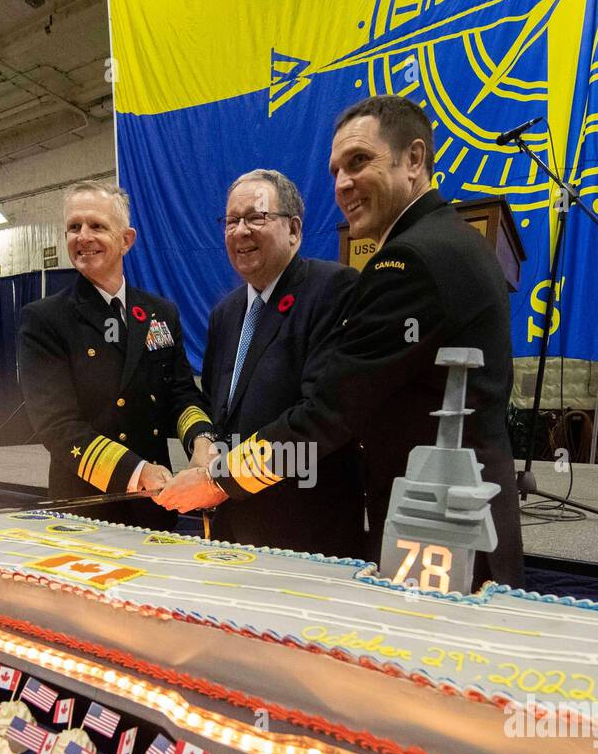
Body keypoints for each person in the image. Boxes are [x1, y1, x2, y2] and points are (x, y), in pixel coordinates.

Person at [158, 95, 524, 586]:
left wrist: (217, 479)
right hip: (452, 515)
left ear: (414, 160)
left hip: (439, 528)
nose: (343, 184)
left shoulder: (408, 262)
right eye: (334, 171)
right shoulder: (448, 240)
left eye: (359, 162)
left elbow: (328, 414)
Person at [16, 180, 215, 530]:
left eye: (97, 226)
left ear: (126, 240)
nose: (83, 236)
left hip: (156, 507)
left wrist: (201, 441)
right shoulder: (45, 319)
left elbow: (181, 393)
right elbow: (56, 425)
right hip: (85, 507)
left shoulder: (160, 313)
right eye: (74, 227)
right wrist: (137, 472)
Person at [201, 168, 363, 557]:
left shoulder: (332, 289)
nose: (240, 231)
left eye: (256, 217)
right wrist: (204, 446)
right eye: (231, 221)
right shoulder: (225, 313)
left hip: (305, 531)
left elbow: (322, 419)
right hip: (230, 527)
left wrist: (221, 479)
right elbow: (217, 408)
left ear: (293, 229)